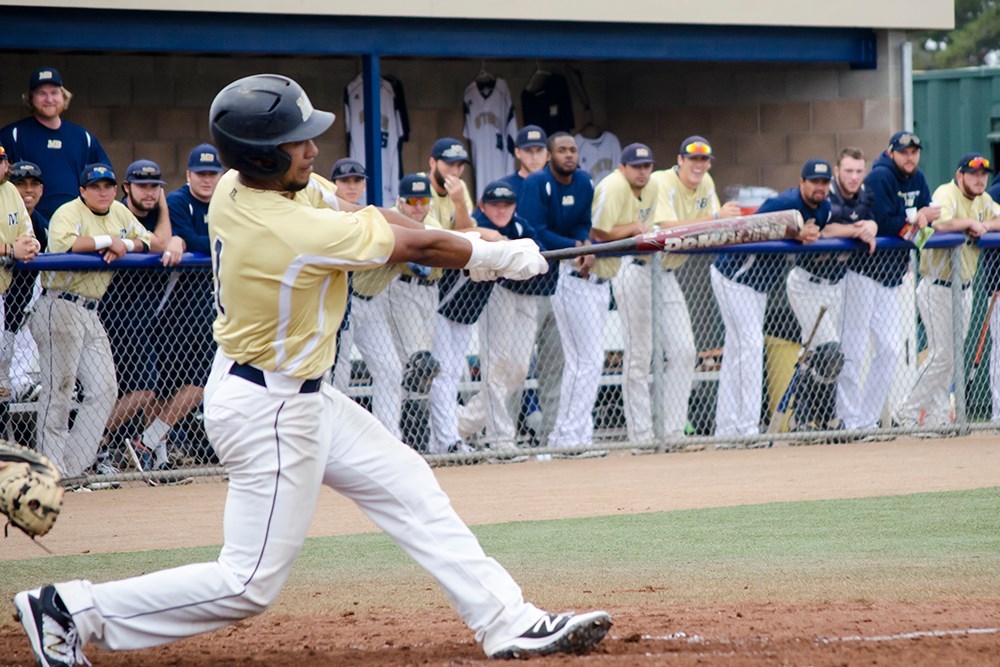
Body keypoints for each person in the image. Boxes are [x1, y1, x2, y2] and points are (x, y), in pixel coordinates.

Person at [13, 73, 610, 665]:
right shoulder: (287, 228)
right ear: (264, 154)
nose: (313, 148)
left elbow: (368, 212)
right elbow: (412, 249)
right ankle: (69, 611)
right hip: (270, 410)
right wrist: (495, 253)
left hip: (297, 394)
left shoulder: (238, 187)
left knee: (409, 485)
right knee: (248, 582)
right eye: (299, 140)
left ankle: (507, 620)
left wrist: (472, 240)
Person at [30, 163, 158, 480]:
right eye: (95, 187)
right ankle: (50, 469)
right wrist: (106, 241)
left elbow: (153, 242)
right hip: (58, 304)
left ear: (116, 190)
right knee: (59, 392)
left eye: (107, 186)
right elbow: (64, 244)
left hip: (91, 310)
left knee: (104, 390)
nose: (102, 192)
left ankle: (72, 469)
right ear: (83, 191)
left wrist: (124, 244)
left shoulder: (118, 212)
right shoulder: (68, 211)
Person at [633, 135, 738, 447]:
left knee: (684, 351)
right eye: (693, 159)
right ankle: (640, 437)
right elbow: (668, 230)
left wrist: (716, 221)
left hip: (666, 274)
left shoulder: (706, 184)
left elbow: (718, 231)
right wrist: (715, 218)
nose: (699, 165)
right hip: (635, 268)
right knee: (639, 357)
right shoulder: (661, 181)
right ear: (680, 160)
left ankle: (672, 431)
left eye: (704, 160)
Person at [711, 159, 823, 444]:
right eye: (814, 182)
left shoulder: (824, 207)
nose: (819, 187)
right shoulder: (783, 202)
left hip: (758, 285)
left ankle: (726, 430)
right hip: (734, 275)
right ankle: (747, 430)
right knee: (749, 346)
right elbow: (751, 229)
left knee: (739, 350)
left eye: (824, 182)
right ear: (802, 183)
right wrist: (796, 233)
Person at [836, 131, 941, 431]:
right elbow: (885, 223)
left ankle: (867, 421)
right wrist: (916, 218)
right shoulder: (881, 177)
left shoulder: (917, 178)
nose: (910, 157)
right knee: (854, 349)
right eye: (904, 151)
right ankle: (848, 420)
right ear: (891, 152)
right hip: (863, 273)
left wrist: (919, 218)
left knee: (890, 349)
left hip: (892, 276)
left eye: (914, 151)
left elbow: (930, 216)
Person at [430, 180, 538, 457]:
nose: (501, 210)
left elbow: (539, 249)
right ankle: (500, 439)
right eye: (495, 205)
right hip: (454, 305)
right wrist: (488, 235)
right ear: (482, 206)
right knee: (492, 369)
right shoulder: (476, 224)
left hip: (479, 308)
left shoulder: (520, 226)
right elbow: (457, 234)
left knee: (518, 369)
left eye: (507, 205)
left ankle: (459, 424)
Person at [895, 153, 999, 429]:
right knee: (942, 354)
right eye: (973, 173)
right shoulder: (947, 193)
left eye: (983, 174)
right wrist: (968, 224)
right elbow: (939, 223)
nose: (979, 179)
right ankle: (907, 409)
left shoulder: (983, 200)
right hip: (936, 286)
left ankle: (937, 418)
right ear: (960, 175)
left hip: (964, 288)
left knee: (951, 357)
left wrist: (985, 225)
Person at [99, 160, 184, 474]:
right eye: (142, 186)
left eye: (155, 187)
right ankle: (96, 444)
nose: (149, 192)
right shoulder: (119, 213)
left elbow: (163, 240)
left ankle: (113, 447)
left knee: (147, 390)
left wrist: (161, 208)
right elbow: (160, 242)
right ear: (127, 188)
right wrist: (163, 209)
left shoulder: (158, 217)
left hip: (145, 321)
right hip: (113, 316)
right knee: (131, 391)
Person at [784, 149, 877, 432]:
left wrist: (871, 225)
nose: (853, 177)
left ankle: (806, 419)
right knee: (830, 352)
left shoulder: (863, 196)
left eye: (858, 171)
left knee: (816, 354)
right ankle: (819, 417)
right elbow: (824, 228)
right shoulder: (827, 199)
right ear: (838, 172)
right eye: (847, 171)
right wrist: (854, 231)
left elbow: (874, 220)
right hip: (807, 282)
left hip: (835, 286)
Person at [518, 132, 597, 452]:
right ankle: (503, 441)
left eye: (573, 150)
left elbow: (583, 223)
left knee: (560, 364)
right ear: (550, 156)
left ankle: (558, 437)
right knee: (517, 366)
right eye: (562, 150)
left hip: (566, 276)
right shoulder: (536, 184)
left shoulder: (584, 182)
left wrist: (583, 245)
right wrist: (574, 246)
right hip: (529, 282)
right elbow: (533, 230)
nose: (569, 155)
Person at [153, 144, 226, 466]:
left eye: (212, 174)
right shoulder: (179, 201)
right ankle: (156, 450)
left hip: (214, 308)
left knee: (199, 382)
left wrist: (202, 242)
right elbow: (185, 237)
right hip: (173, 310)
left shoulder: (228, 202)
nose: (207, 180)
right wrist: (215, 243)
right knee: (162, 386)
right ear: (188, 175)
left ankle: (150, 442)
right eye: (201, 174)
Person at [594, 143, 661, 447]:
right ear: (623, 167)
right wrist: (634, 229)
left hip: (637, 271)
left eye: (647, 165)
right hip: (606, 270)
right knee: (636, 356)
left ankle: (652, 432)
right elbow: (598, 233)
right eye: (636, 166)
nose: (643, 171)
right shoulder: (613, 186)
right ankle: (641, 435)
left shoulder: (652, 187)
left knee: (647, 355)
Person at [0, 67, 111, 220]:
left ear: (63, 96)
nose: (49, 99)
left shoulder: (83, 137)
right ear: (30, 98)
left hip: (75, 226)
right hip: (27, 224)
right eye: (41, 93)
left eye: (54, 92)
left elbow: (105, 179)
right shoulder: (13, 135)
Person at [0, 167, 40, 433]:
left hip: (1, 295)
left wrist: (30, 245)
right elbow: (15, 247)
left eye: (3, 161)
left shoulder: (9, 192)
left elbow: (28, 235)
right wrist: (10, 249)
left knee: (1, 384)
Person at [6, 160, 49, 404]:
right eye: (20, 183)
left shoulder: (42, 224)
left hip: (23, 304)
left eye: (34, 184)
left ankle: (20, 386)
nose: (28, 190)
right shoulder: (4, 215)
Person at [327, 158, 368, 393]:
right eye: (345, 181)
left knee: (340, 369)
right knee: (321, 372)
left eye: (357, 181)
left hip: (347, 302)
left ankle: (335, 427)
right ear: (333, 185)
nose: (351, 186)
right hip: (319, 304)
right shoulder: (324, 212)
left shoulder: (366, 216)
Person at [428, 137, 475, 231]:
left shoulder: (460, 186)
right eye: (450, 164)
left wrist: (460, 202)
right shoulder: (419, 186)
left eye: (460, 165)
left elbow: (468, 233)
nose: (455, 172)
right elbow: (435, 236)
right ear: (432, 163)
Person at [502, 125, 548, 198]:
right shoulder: (504, 188)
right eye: (528, 150)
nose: (534, 157)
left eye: (539, 150)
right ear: (518, 153)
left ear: (547, 153)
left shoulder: (557, 184)